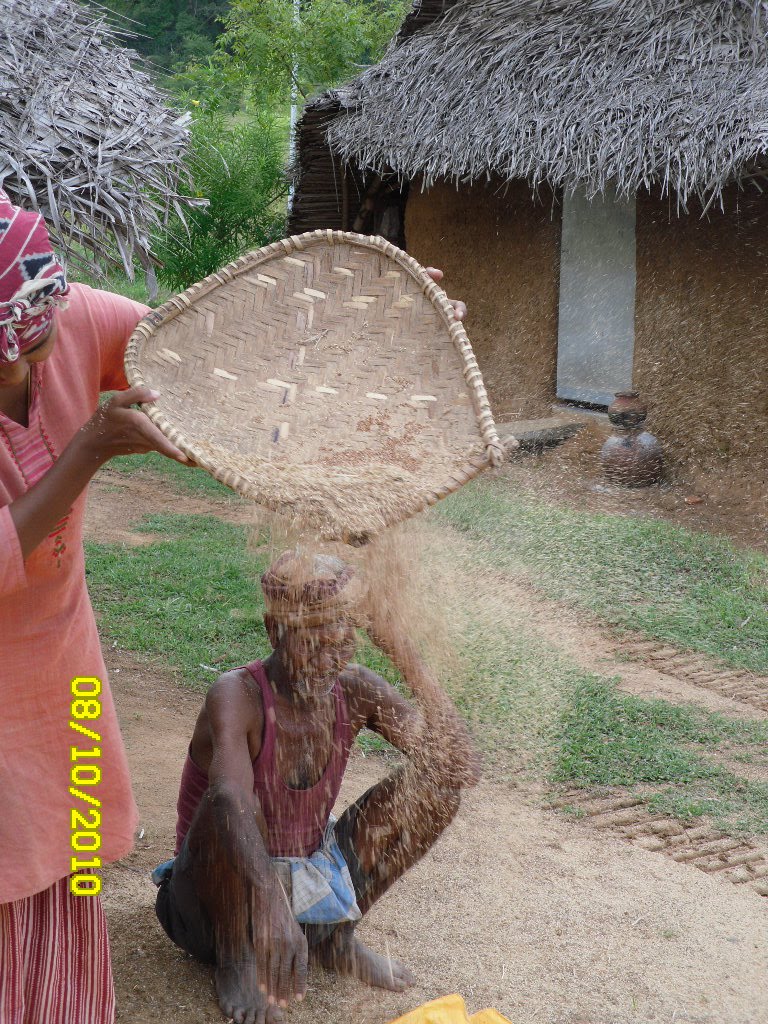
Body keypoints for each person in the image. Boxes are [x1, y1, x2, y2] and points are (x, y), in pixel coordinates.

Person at [0, 190, 189, 1024]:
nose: (25, 371)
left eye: (36, 345)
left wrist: (330, 316)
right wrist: (84, 451)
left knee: (69, 874)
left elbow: (200, 343)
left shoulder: (72, 317)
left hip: (64, 668)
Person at [153, 550, 479, 1024]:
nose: (329, 661)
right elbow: (228, 799)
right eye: (313, 642)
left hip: (300, 891)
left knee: (435, 791)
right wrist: (266, 903)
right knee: (230, 800)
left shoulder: (355, 688)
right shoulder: (237, 694)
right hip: (206, 903)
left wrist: (403, 651)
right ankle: (236, 958)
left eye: (342, 642)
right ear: (274, 631)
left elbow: (458, 770)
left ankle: (334, 937)